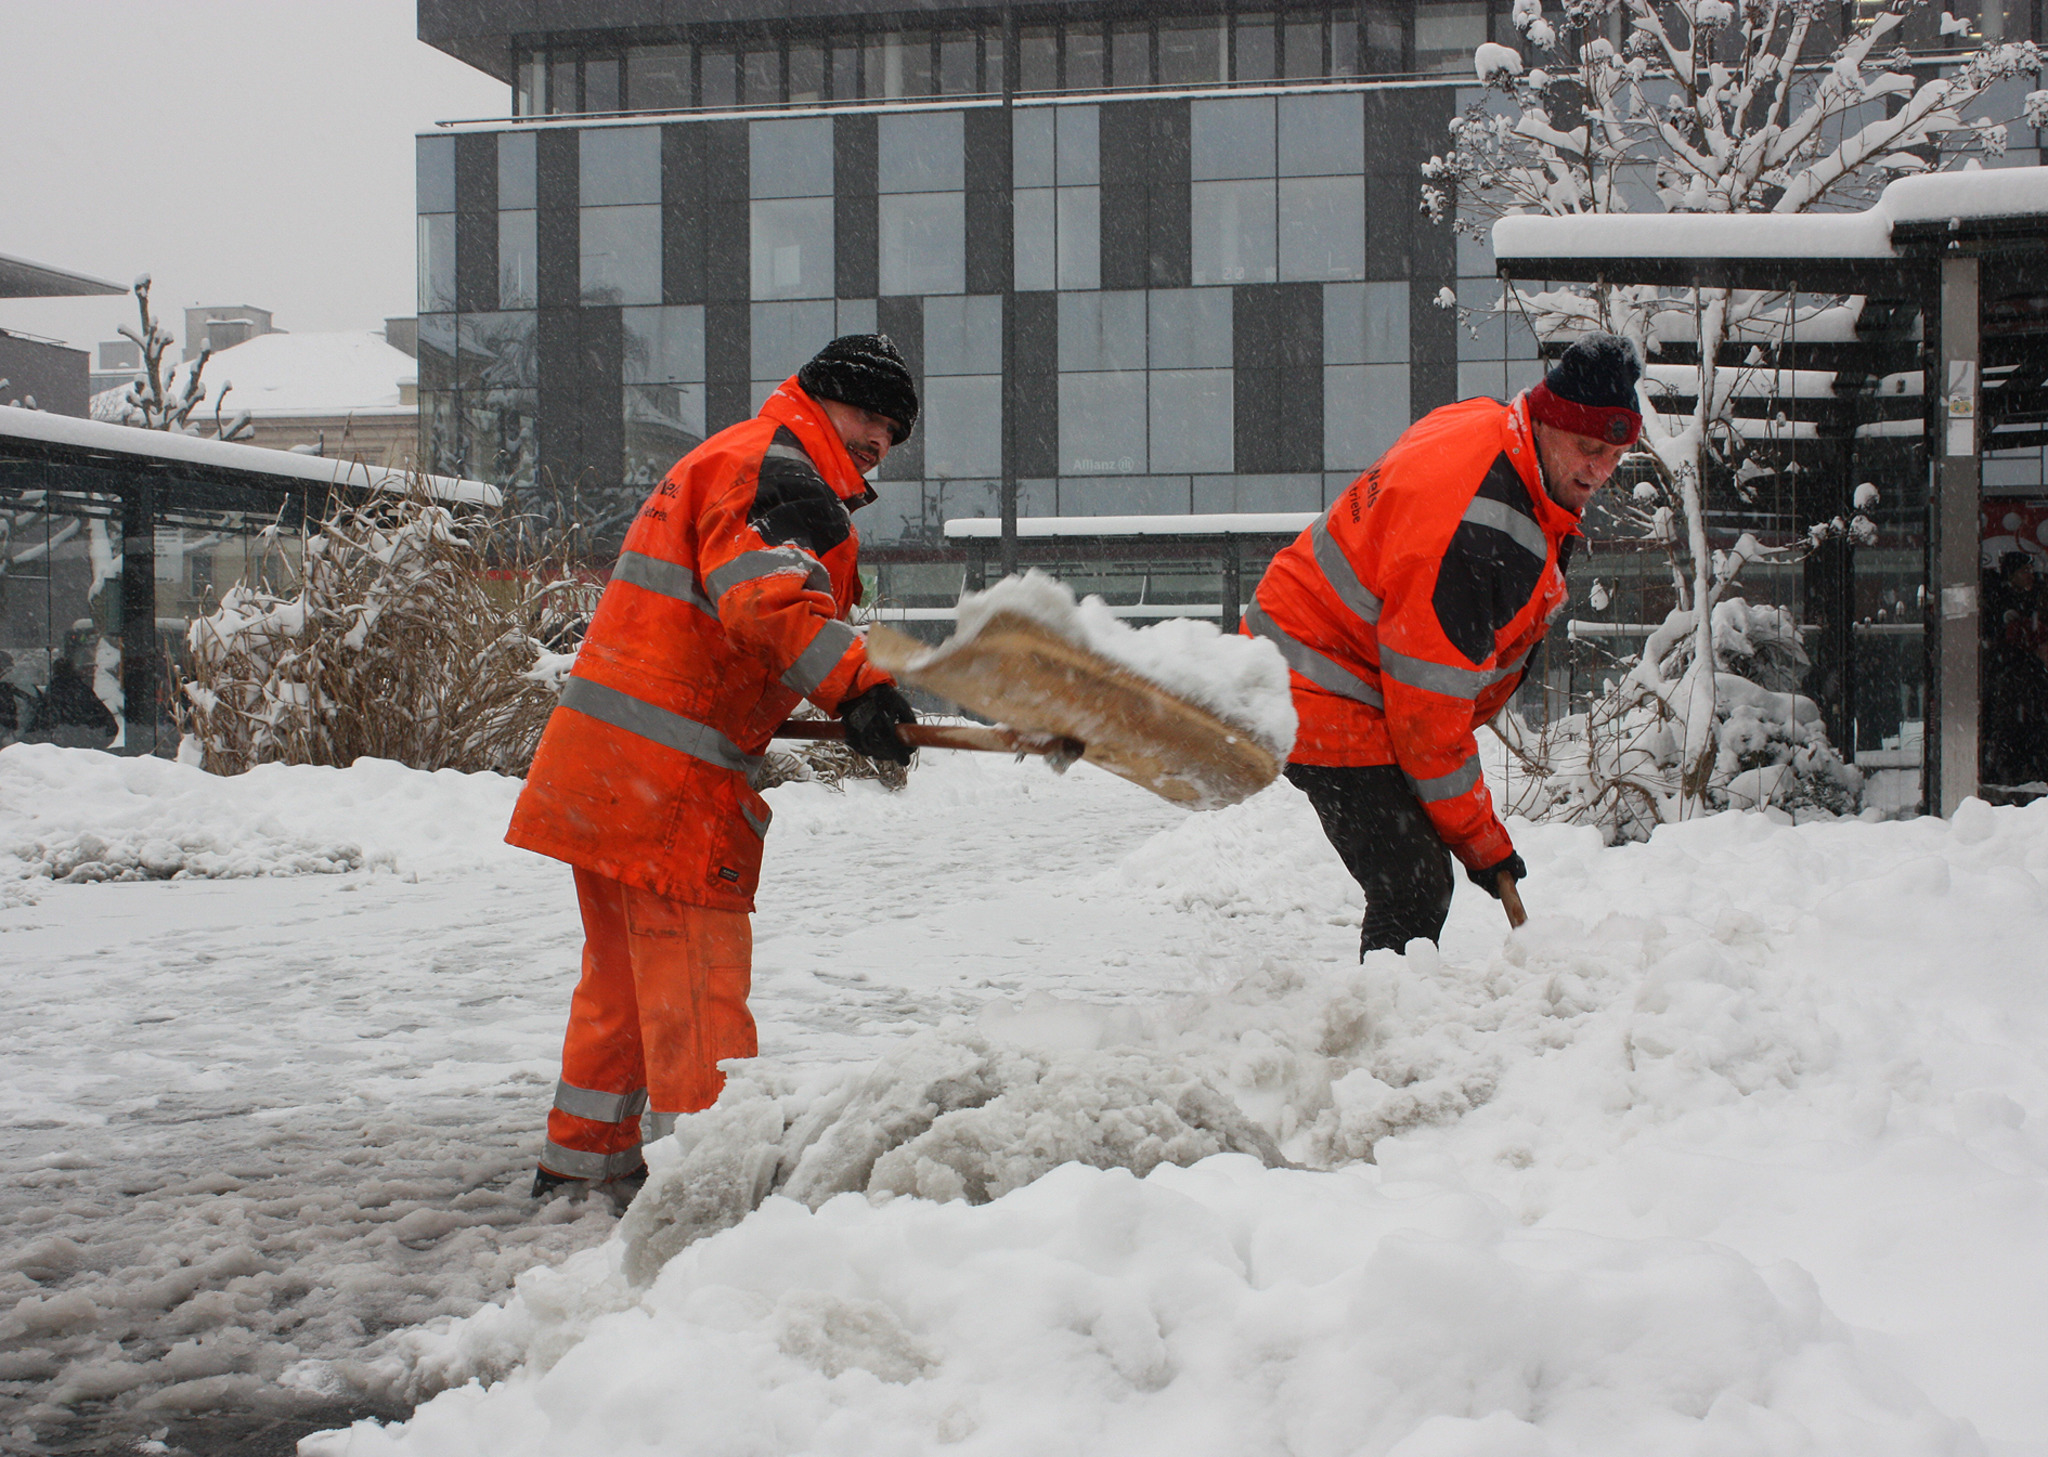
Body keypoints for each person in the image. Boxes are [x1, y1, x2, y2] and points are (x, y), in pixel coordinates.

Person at [506, 334, 922, 1200]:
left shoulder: (733, 456)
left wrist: (841, 692)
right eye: (867, 415)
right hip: (672, 787)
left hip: (606, 769)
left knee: (623, 987)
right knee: (698, 998)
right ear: (819, 399)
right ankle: (710, 1190)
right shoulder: (784, 469)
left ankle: (582, 1164)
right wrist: (858, 687)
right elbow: (765, 598)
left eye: (893, 429)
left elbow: (729, 620)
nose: (879, 438)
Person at [1245, 333, 1642, 955]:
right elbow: (1428, 721)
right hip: (1315, 677)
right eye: (1588, 448)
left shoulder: (1497, 432)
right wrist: (1485, 844)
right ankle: (1386, 1035)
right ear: (1546, 421)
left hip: (1336, 657)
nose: (1600, 471)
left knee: (1416, 872)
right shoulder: (1471, 531)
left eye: (1617, 453)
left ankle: (1392, 1013)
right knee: (1413, 883)